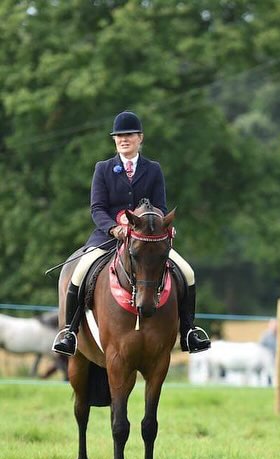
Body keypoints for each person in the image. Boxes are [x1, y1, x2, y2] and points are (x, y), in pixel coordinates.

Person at [52, 111, 211, 356]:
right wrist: (113, 228)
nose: (123, 139)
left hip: (147, 240)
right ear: (114, 140)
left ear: (140, 138)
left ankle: (189, 331)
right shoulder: (103, 168)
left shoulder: (153, 169)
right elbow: (97, 208)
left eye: (129, 135)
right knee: (80, 271)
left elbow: (160, 206)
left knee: (187, 272)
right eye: (119, 136)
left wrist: (163, 226)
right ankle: (70, 332)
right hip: (108, 237)